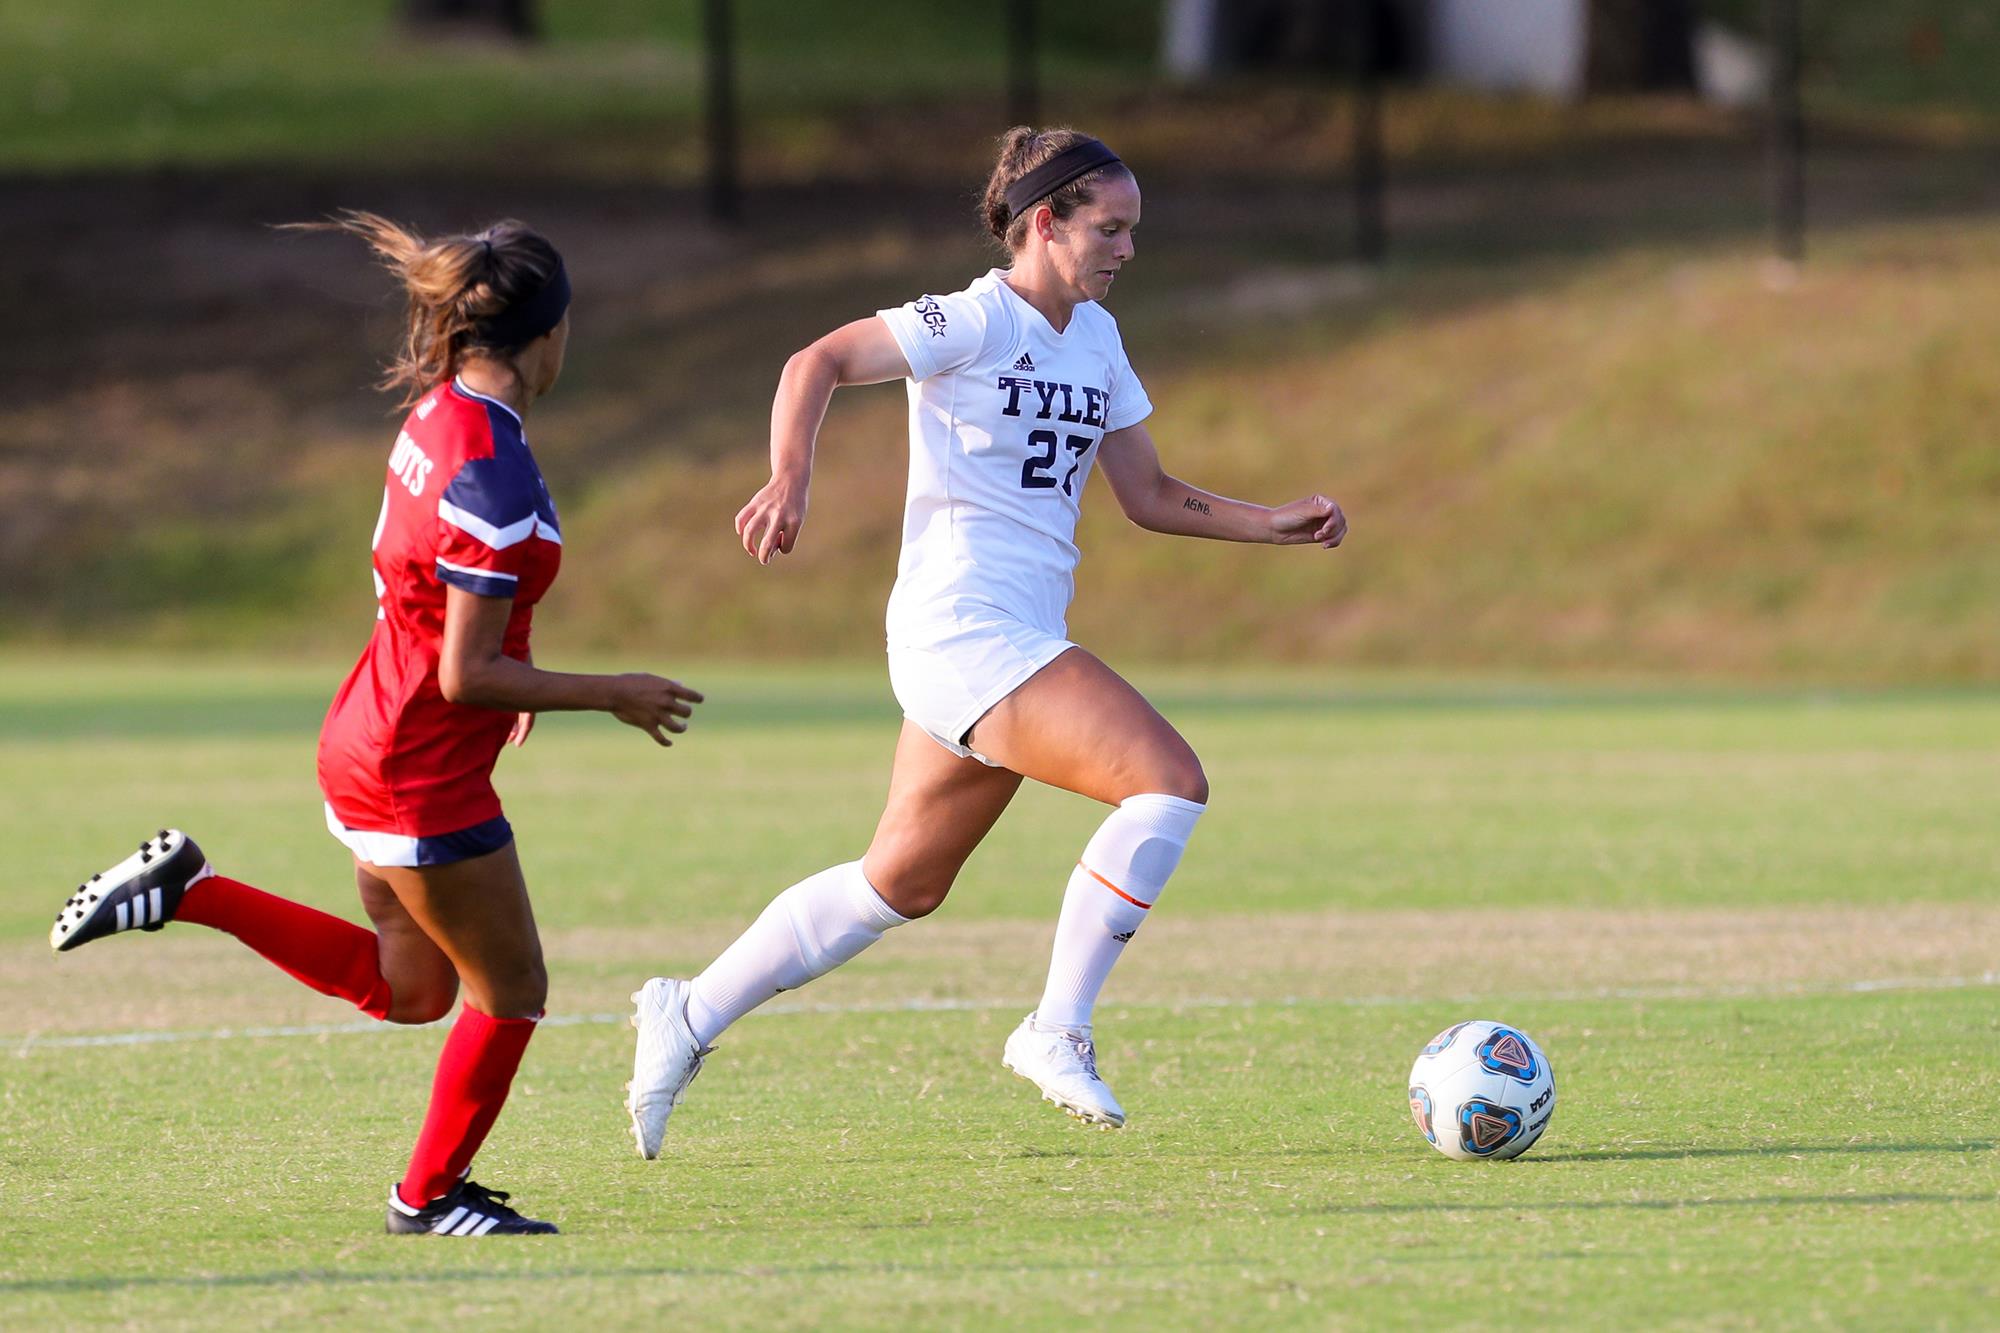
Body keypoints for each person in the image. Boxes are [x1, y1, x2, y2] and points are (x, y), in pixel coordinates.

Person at [624, 127, 1345, 1158]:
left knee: (896, 883)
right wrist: (791, 475)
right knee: (1166, 781)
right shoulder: (967, 318)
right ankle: (1055, 1027)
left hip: (1010, 634)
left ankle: (685, 1012)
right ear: (1042, 223)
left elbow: (1146, 493)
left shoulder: (1094, 339)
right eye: (1110, 228)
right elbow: (815, 360)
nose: (1127, 250)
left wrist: (1265, 522)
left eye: (1133, 230)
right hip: (960, 626)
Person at [49, 213, 702, 1235]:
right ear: (548, 336)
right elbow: (467, 671)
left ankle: (191, 888)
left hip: (365, 735)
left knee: (411, 989)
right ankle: (428, 1197)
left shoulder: (436, 417)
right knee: (513, 990)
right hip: (419, 773)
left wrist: (506, 673)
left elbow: (435, 604)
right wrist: (608, 690)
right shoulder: (498, 473)